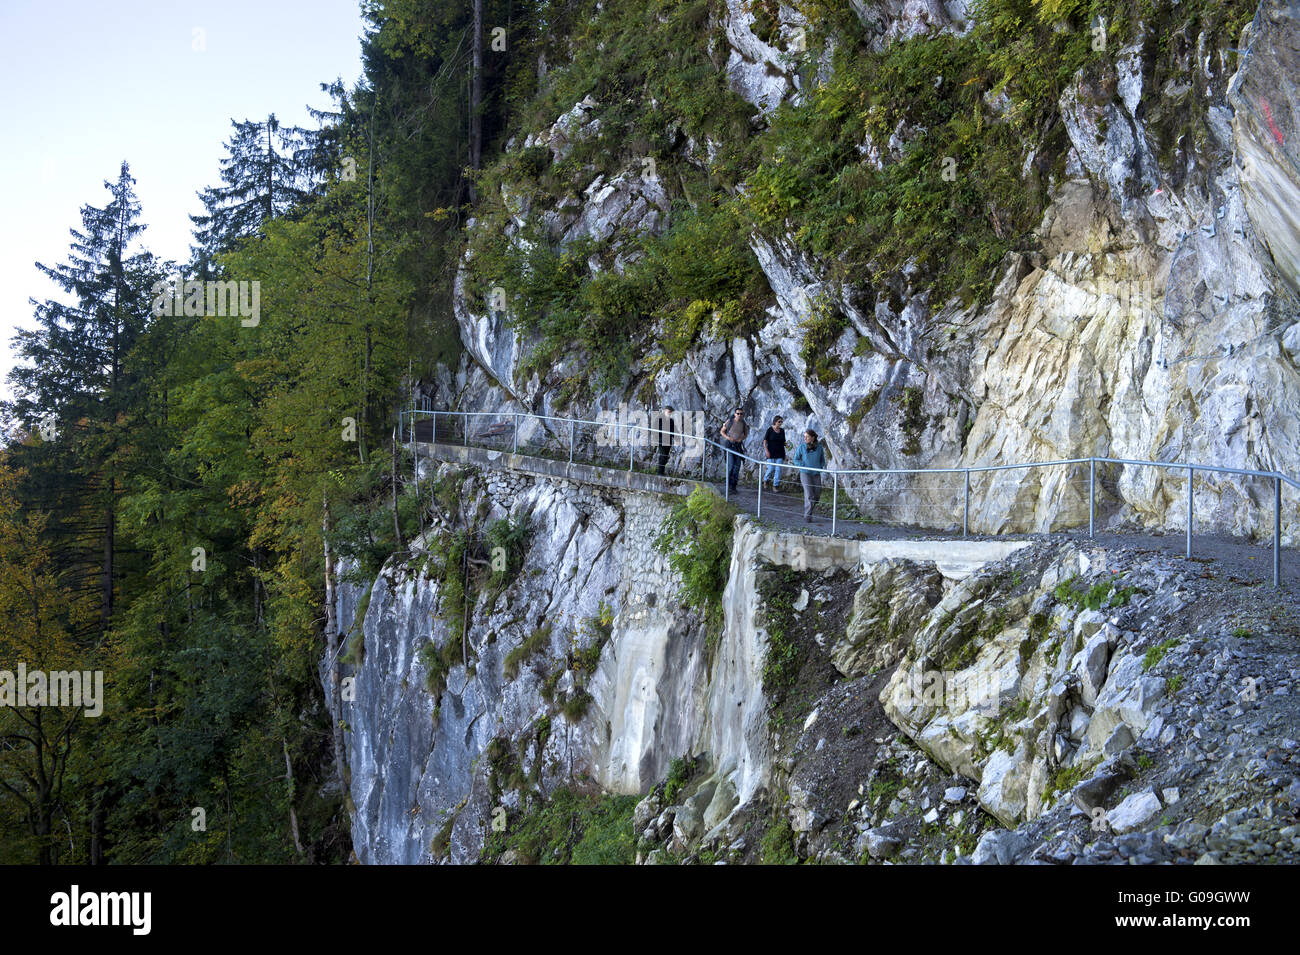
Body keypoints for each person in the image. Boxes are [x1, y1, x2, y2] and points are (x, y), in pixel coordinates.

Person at [792, 428, 828, 522]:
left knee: (816, 495)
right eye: (804, 437)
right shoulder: (802, 447)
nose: (805, 438)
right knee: (809, 494)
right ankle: (807, 516)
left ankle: (809, 510)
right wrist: (802, 465)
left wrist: (820, 466)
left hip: (816, 474)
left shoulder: (819, 447)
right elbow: (795, 459)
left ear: (813, 437)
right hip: (805, 473)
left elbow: (822, 460)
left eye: (807, 437)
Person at [719, 407, 748, 494]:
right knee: (731, 465)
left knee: (737, 467)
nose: (739, 415)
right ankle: (728, 485)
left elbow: (746, 434)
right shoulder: (730, 421)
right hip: (729, 445)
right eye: (738, 413)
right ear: (735, 414)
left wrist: (741, 439)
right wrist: (728, 438)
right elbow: (722, 431)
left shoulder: (743, 423)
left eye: (741, 414)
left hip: (738, 446)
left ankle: (733, 486)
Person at [762, 415, 786, 491]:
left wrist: (788, 445)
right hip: (771, 453)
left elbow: (784, 441)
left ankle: (775, 485)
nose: (780, 423)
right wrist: (766, 451)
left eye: (781, 422)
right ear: (775, 422)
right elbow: (765, 442)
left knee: (778, 470)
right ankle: (766, 480)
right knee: (771, 468)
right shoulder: (770, 430)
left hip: (780, 453)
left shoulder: (782, 431)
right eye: (779, 421)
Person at [653, 404, 676, 476]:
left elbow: (674, 430)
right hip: (661, 440)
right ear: (665, 411)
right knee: (662, 456)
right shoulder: (659, 419)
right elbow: (656, 428)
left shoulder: (671, 420)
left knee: (665, 456)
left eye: (671, 412)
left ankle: (661, 472)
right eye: (669, 412)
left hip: (668, 441)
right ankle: (660, 472)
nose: (670, 413)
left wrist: (677, 438)